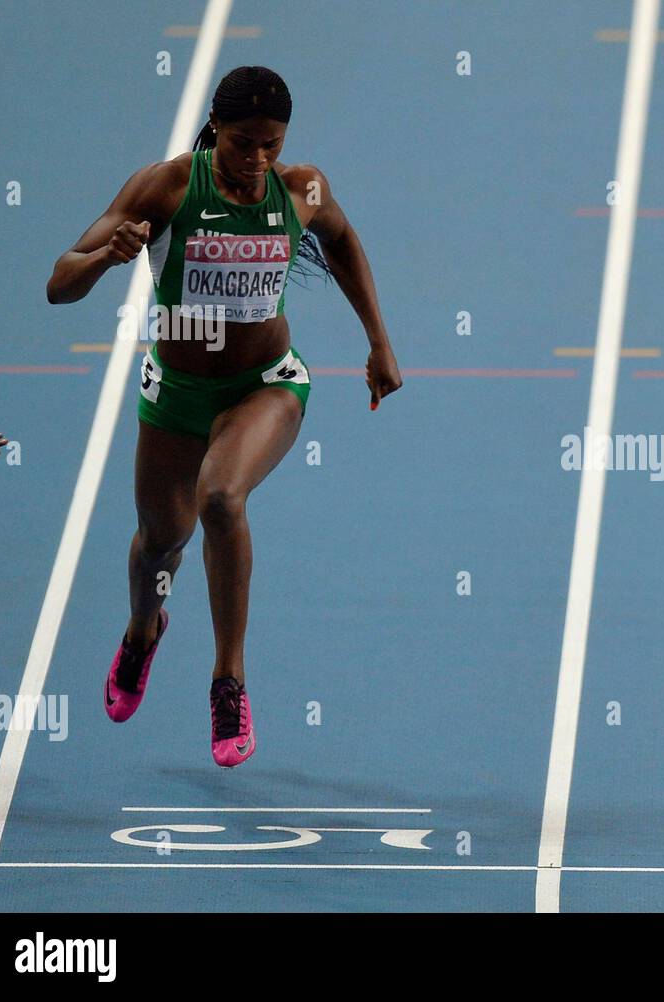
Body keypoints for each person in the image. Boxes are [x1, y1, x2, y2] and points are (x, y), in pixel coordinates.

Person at [46, 66, 401, 767]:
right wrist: (106, 260)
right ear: (216, 129)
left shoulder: (300, 189)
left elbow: (344, 241)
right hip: (178, 388)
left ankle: (228, 679)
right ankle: (144, 632)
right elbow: (60, 282)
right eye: (243, 143)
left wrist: (378, 342)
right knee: (158, 542)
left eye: (271, 144)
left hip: (263, 384)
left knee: (220, 497)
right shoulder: (169, 186)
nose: (257, 159)